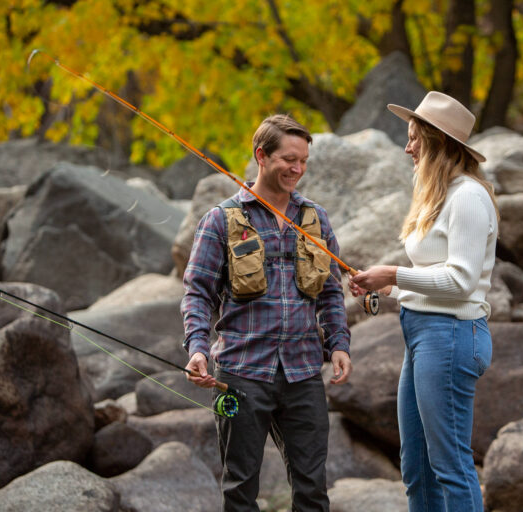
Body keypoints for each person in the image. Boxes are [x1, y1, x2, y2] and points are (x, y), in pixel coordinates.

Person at [181, 114, 352, 512]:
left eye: (303, 161)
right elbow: (197, 293)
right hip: (240, 373)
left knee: (313, 491)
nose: (298, 169)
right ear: (261, 155)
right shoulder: (219, 220)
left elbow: (329, 291)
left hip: (304, 373)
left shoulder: (316, 219)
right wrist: (197, 349)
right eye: (288, 159)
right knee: (240, 489)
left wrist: (339, 343)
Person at [350, 91, 499, 512]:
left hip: (451, 338)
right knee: (416, 467)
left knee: (451, 466)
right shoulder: (439, 195)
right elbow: (436, 279)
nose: (407, 147)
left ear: (437, 142)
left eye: (414, 137)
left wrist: (393, 273)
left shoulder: (468, 197)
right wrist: (389, 289)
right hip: (422, 336)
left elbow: (461, 282)